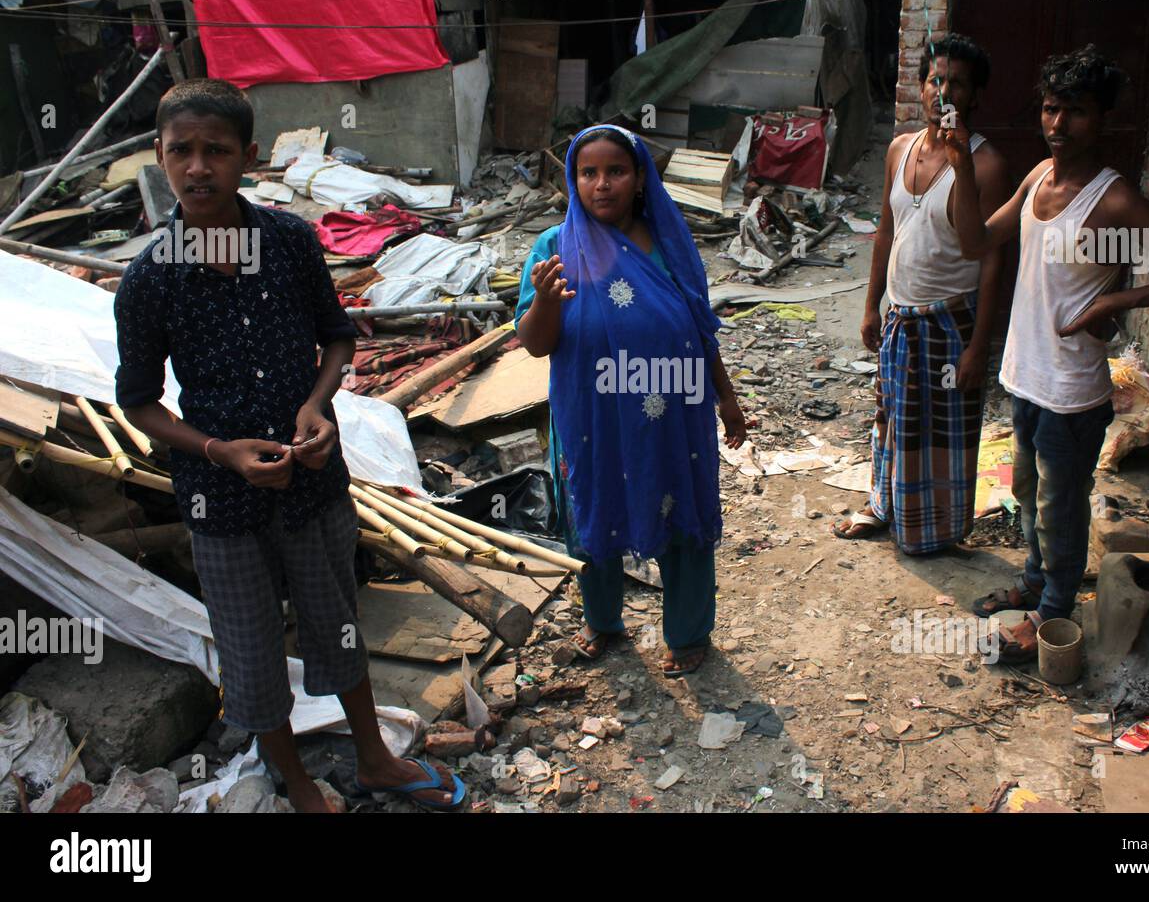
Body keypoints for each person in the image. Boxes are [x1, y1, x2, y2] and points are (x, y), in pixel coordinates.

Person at [114, 78, 463, 812]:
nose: (198, 168)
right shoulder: (147, 282)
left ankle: (374, 758)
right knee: (249, 647)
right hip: (218, 498)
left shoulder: (289, 241)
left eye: (216, 151)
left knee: (337, 620)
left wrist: (315, 404)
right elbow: (138, 401)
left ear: (248, 157)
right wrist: (219, 452)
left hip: (312, 480)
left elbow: (336, 336)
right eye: (182, 151)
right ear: (160, 156)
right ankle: (296, 783)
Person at [943, 46, 1149, 661]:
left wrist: (1110, 305)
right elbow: (974, 241)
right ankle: (1037, 585)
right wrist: (961, 164)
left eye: (1076, 112)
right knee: (1026, 491)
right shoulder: (1038, 177)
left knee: (1060, 508)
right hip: (1025, 376)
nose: (1058, 124)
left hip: (1073, 392)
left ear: (1104, 121)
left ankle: (1051, 617)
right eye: (1049, 109)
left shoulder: (1114, 203)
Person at [516, 125, 747, 677]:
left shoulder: (668, 240)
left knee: (680, 507)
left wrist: (727, 398)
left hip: (672, 413)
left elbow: (699, 326)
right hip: (592, 415)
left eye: (615, 171)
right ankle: (602, 621)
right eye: (587, 173)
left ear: (640, 176)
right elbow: (535, 343)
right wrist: (546, 302)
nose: (602, 184)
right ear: (573, 181)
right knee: (592, 509)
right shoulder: (554, 249)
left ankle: (689, 633)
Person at [832, 33, 1010, 554]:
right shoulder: (898, 149)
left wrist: (980, 345)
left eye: (957, 83)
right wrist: (872, 306)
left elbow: (994, 258)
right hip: (900, 318)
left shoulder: (987, 164)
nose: (944, 91)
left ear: (974, 96)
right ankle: (884, 507)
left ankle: (934, 532)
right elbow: (886, 231)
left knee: (943, 435)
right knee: (891, 420)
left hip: (950, 321)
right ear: (920, 87)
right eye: (935, 79)